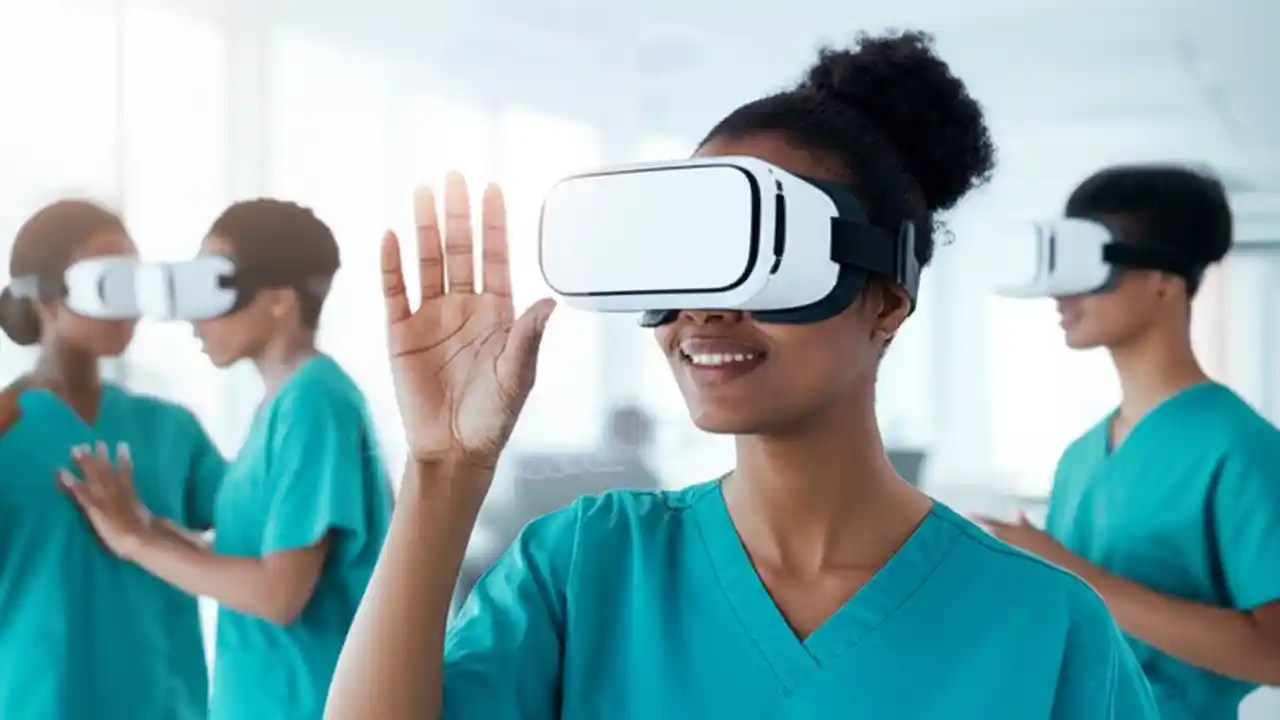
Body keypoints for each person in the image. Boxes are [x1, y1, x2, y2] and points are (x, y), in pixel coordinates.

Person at [326, 32, 1158, 719]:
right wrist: (443, 468)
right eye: (680, 263)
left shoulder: (1047, 627)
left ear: (887, 298)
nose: (704, 309)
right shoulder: (585, 566)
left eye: (762, 262)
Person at [62, 199, 395, 720]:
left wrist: (136, 542)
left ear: (280, 300)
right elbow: (248, 553)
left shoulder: (315, 403)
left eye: (209, 289)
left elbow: (278, 594)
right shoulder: (280, 405)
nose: (196, 315)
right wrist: (150, 527)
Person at [981, 166, 1280, 719]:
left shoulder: (1241, 449)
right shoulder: (1079, 457)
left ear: (1165, 282)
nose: (1061, 292)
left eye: (1087, 268)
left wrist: (1077, 576)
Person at [0, 200, 225, 720]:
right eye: (109, 281)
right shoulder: (7, 430)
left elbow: (262, 529)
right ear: (46, 297)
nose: (130, 305)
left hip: (166, 704)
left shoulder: (172, 431)